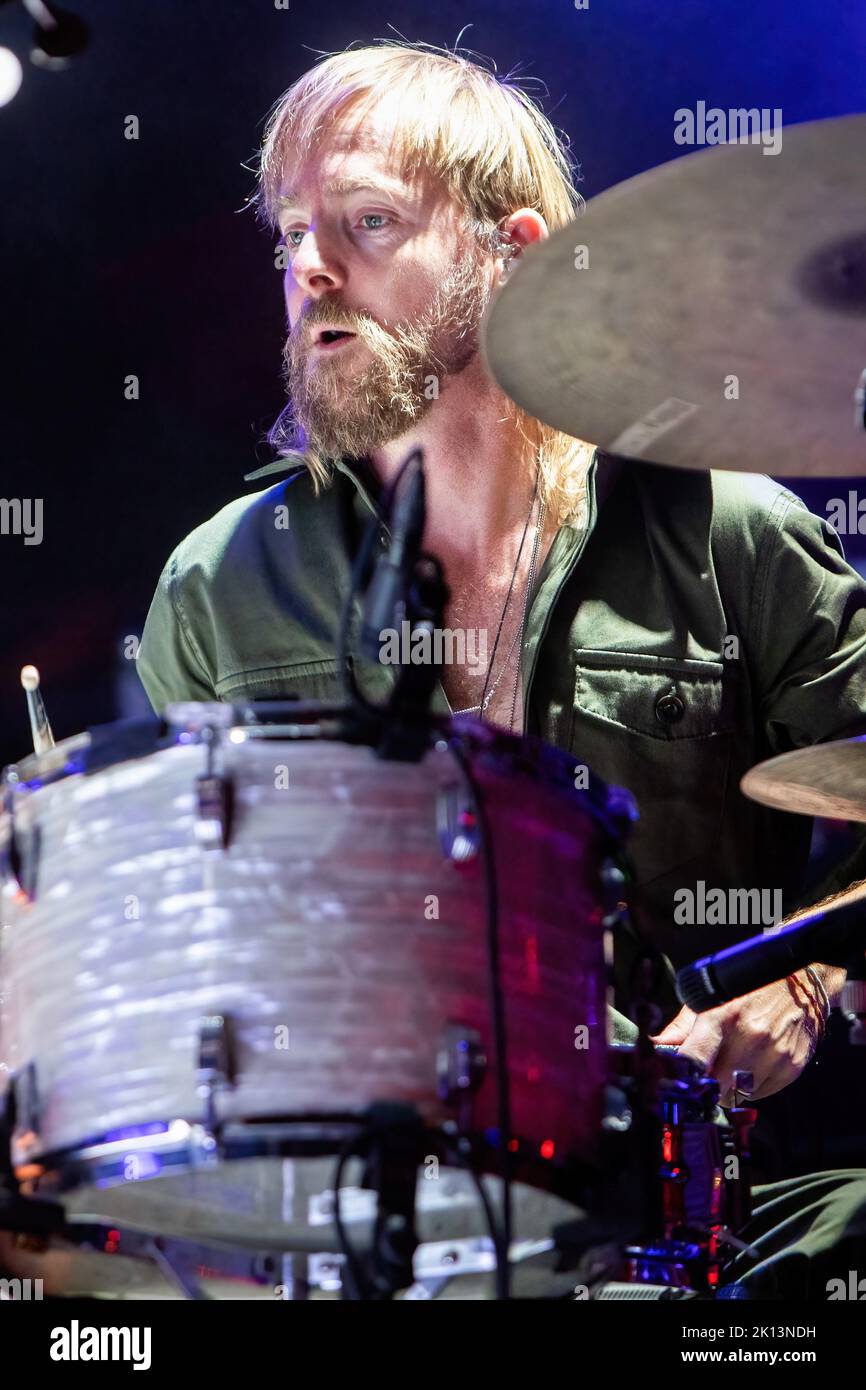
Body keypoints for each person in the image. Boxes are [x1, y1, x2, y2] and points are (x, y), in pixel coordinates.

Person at [137, 40, 866, 1297]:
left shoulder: (726, 532)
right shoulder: (220, 585)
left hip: (715, 1216)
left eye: (367, 221)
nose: (310, 267)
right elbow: (180, 939)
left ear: (512, 254)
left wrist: (808, 972)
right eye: (291, 233)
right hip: (372, 1225)